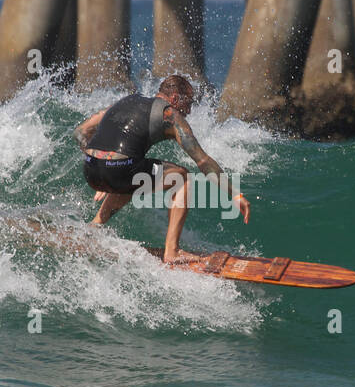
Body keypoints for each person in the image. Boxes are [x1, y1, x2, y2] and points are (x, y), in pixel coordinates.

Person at [74, 75, 250, 262]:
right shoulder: (170, 116)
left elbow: (80, 132)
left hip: (91, 170)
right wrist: (235, 195)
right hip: (120, 171)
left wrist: (103, 162)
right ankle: (172, 251)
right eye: (188, 104)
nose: (189, 110)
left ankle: (94, 227)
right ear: (174, 98)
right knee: (182, 177)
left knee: (135, 173)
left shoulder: (127, 100)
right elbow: (203, 161)